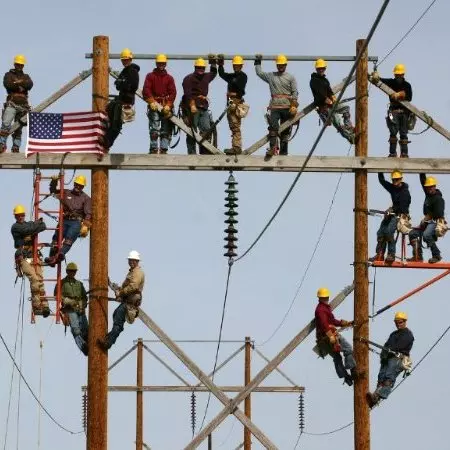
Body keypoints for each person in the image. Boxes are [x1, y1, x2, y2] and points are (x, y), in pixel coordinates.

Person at [98, 251, 145, 350]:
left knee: (118, 321)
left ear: (137, 261)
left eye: (133, 260)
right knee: (116, 316)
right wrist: (112, 285)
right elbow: (126, 288)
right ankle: (109, 338)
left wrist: (121, 293)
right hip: (127, 301)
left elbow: (133, 286)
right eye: (130, 260)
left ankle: (108, 342)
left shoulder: (137, 272)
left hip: (130, 303)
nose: (131, 262)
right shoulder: (132, 272)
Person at [366, 311, 414, 408]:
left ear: (405, 322)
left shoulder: (408, 334)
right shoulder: (393, 334)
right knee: (381, 377)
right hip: (388, 358)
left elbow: (400, 346)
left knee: (389, 377)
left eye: (400, 322)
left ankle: (378, 396)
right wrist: (383, 356)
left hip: (397, 358)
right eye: (396, 322)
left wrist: (389, 351)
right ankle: (375, 397)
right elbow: (386, 345)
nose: (398, 324)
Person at [255, 54, 298, 156]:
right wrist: (258, 62)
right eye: (279, 65)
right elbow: (259, 73)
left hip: (287, 107)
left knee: (285, 131)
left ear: (285, 65)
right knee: (273, 128)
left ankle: (283, 152)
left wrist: (294, 105)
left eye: (282, 64)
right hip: (275, 107)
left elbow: (295, 92)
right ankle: (272, 149)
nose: (280, 66)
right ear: (276, 65)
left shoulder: (290, 77)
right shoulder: (271, 76)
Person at [11, 204, 50, 317]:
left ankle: (45, 305)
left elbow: (43, 226)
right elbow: (29, 229)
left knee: (40, 280)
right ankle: (37, 306)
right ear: (15, 217)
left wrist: (35, 226)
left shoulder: (29, 224)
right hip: (23, 257)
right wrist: (36, 225)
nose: (21, 217)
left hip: (34, 255)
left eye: (22, 215)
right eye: (18, 215)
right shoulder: (15, 227)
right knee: (34, 279)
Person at [45, 175, 92, 266]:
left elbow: (88, 213)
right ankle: (52, 258)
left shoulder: (86, 198)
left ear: (83, 187)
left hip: (76, 222)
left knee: (69, 239)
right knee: (56, 240)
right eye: (77, 184)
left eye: (80, 185)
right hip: (64, 220)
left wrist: (86, 225)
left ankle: (60, 255)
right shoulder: (66, 192)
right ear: (74, 184)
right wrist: (54, 182)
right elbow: (53, 191)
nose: (78, 186)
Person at [314, 287, 355, 386]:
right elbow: (324, 324)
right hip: (328, 336)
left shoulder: (325, 308)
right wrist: (330, 336)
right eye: (324, 297)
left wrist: (344, 323)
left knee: (337, 357)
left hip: (324, 338)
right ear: (319, 298)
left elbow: (332, 321)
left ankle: (346, 377)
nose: (325, 299)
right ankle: (352, 370)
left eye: (326, 297)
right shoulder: (320, 310)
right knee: (348, 348)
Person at [101, 48, 140, 149]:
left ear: (130, 59)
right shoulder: (124, 71)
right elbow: (118, 84)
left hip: (126, 100)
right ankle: (105, 138)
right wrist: (122, 83)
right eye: (123, 60)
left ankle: (107, 142)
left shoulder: (133, 71)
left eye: (126, 59)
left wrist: (123, 83)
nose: (124, 61)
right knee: (109, 110)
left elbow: (133, 86)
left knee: (116, 123)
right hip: (120, 99)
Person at [371, 64, 413, 158]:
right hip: (393, 111)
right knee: (393, 132)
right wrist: (376, 76)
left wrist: (400, 94)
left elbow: (409, 97)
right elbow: (380, 80)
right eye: (397, 75)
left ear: (403, 74)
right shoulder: (391, 82)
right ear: (395, 75)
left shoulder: (407, 85)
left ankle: (404, 153)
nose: (398, 76)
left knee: (403, 133)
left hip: (404, 112)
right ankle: (393, 153)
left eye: (400, 74)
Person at [369, 171, 411, 263]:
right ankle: (379, 254)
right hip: (392, 214)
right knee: (380, 232)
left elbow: (403, 208)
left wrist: (391, 210)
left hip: (401, 216)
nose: (395, 181)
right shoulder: (393, 188)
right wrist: (380, 170)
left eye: (397, 180)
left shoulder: (405, 192)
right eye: (393, 180)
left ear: (401, 179)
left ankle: (391, 254)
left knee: (388, 231)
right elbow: (382, 181)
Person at [310, 59, 355, 144]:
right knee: (338, 123)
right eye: (319, 68)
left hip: (331, 104)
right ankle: (351, 138)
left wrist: (333, 98)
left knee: (345, 108)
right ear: (316, 69)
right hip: (323, 107)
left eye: (322, 68)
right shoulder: (314, 80)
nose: (321, 70)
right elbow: (319, 94)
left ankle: (348, 126)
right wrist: (327, 100)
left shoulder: (325, 80)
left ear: (325, 68)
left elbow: (330, 91)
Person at [181, 56, 217, 154]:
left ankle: (204, 151)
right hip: (192, 107)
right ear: (195, 68)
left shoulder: (206, 77)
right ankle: (192, 152)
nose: (201, 70)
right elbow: (187, 94)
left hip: (203, 107)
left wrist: (213, 62)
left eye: (202, 68)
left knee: (206, 130)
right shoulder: (188, 79)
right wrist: (192, 105)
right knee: (192, 131)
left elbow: (213, 73)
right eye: (199, 68)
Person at [142, 53, 177, 154]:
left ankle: (164, 149)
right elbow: (146, 89)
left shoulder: (169, 78)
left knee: (165, 129)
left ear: (165, 64)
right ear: (156, 63)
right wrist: (151, 101)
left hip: (165, 105)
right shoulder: (150, 76)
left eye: (163, 63)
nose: (161, 65)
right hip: (155, 105)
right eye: (159, 63)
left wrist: (168, 105)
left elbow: (173, 92)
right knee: (154, 128)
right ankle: (153, 148)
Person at [408, 174, 446, 263]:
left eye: (430, 187)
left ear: (434, 187)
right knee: (413, 233)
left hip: (436, 222)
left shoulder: (438, 199)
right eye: (427, 187)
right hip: (428, 222)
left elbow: (438, 213)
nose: (429, 189)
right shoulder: (428, 196)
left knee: (426, 235)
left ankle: (436, 255)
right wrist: (420, 170)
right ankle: (418, 256)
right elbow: (423, 181)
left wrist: (427, 218)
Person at [0, 54, 33, 153]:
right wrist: (21, 85)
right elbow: (8, 84)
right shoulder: (8, 75)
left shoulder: (26, 76)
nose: (19, 66)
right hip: (12, 103)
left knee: (18, 128)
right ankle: (2, 144)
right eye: (18, 64)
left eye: (21, 65)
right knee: (6, 124)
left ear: (23, 65)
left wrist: (17, 83)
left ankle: (16, 147)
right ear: (15, 64)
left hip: (23, 106)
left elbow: (30, 84)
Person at [217, 54, 248, 155]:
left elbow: (241, 90)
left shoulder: (243, 76)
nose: (236, 67)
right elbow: (222, 74)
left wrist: (232, 93)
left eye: (237, 65)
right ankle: (235, 146)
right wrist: (220, 65)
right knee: (232, 126)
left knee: (235, 126)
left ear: (241, 66)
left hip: (237, 102)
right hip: (230, 103)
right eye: (235, 65)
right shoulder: (232, 76)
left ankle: (237, 147)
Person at [58, 262, 88, 356]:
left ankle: (89, 344)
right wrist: (67, 301)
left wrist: (82, 305)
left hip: (79, 309)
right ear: (67, 271)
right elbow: (58, 295)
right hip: (69, 309)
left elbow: (84, 297)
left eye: (74, 271)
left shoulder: (79, 284)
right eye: (70, 271)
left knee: (86, 330)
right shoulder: (62, 283)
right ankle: (83, 347)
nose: (72, 273)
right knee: (76, 330)